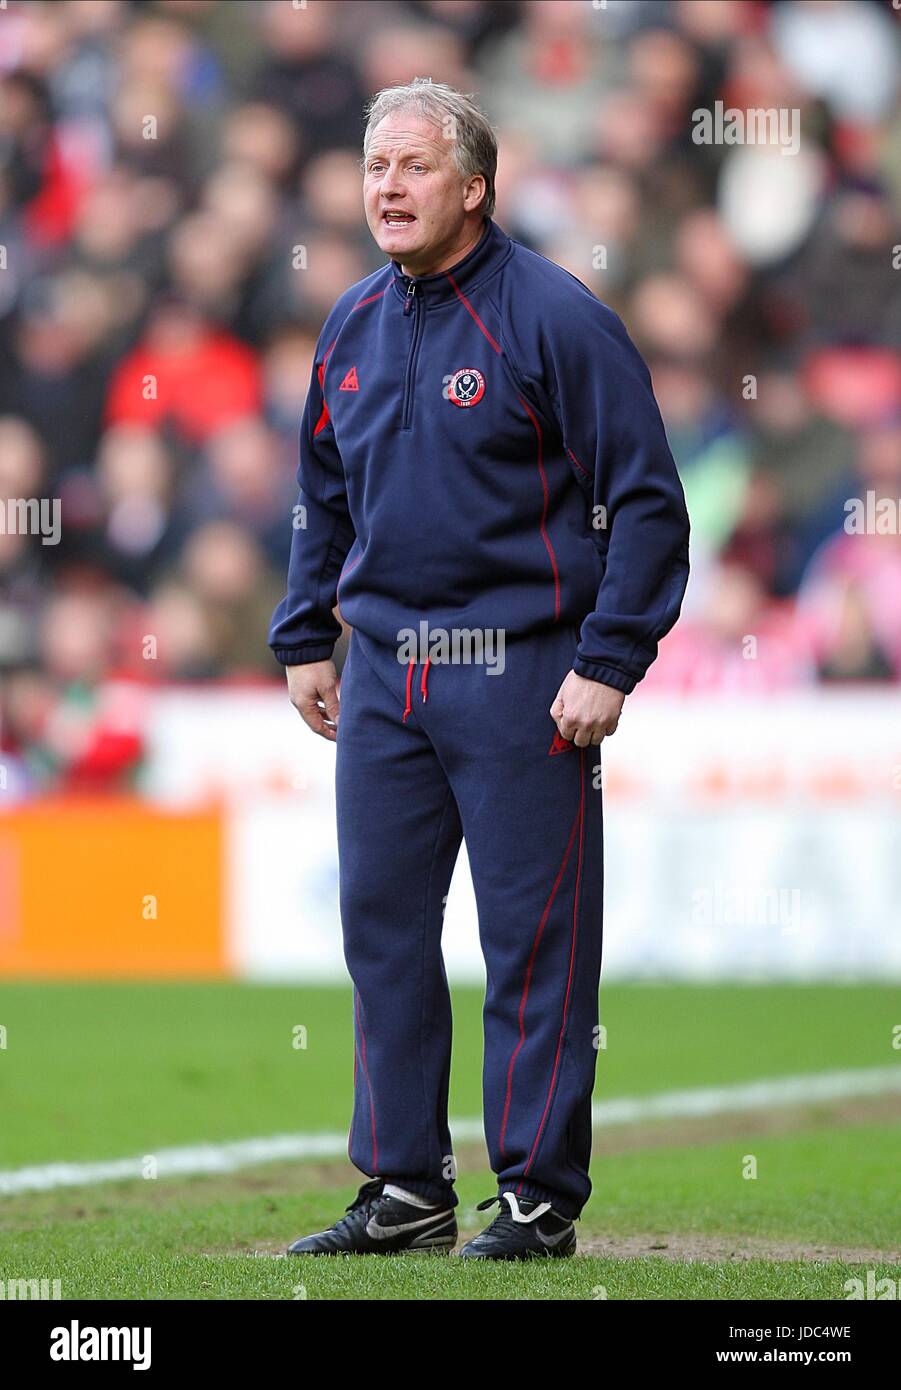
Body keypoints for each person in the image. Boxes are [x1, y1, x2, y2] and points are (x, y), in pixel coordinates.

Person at [269, 79, 690, 1259]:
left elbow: (649, 506)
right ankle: (405, 1187)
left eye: (412, 167)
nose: (387, 188)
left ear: (474, 186)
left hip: (523, 676)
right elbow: (321, 499)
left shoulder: (555, 317)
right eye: (374, 169)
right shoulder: (349, 323)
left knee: (533, 940)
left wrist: (609, 659)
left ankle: (537, 1200)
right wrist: (306, 628)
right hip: (387, 680)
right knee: (383, 933)